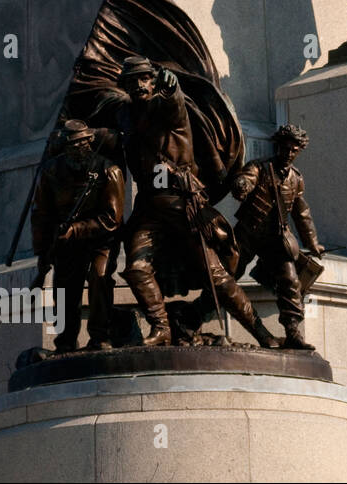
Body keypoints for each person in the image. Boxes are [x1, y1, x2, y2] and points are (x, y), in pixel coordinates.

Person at [110, 56, 278, 348]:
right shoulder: (127, 116)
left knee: (216, 276)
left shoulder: (169, 108)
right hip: (149, 207)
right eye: (132, 81)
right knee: (136, 268)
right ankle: (161, 327)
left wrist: (170, 86)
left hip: (183, 204)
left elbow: (171, 100)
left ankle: (262, 333)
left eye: (143, 79)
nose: (138, 85)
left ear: (153, 80)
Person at [31, 120, 125, 352]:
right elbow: (41, 215)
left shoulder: (108, 170)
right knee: (64, 286)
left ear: (89, 143)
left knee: (99, 275)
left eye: (80, 144)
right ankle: (65, 340)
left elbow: (112, 219)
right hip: (66, 243)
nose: (75, 149)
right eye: (71, 145)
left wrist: (76, 229)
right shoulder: (50, 171)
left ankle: (100, 336)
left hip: (100, 239)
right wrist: (42, 254)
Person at [230, 125, 324, 350]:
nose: (289, 153)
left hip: (275, 240)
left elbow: (302, 214)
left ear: (299, 151)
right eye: (285, 148)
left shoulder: (296, 179)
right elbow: (245, 180)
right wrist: (242, 184)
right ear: (278, 146)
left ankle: (293, 334)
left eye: (294, 150)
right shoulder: (260, 168)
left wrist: (312, 243)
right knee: (226, 279)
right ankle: (193, 318)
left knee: (291, 282)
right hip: (248, 234)